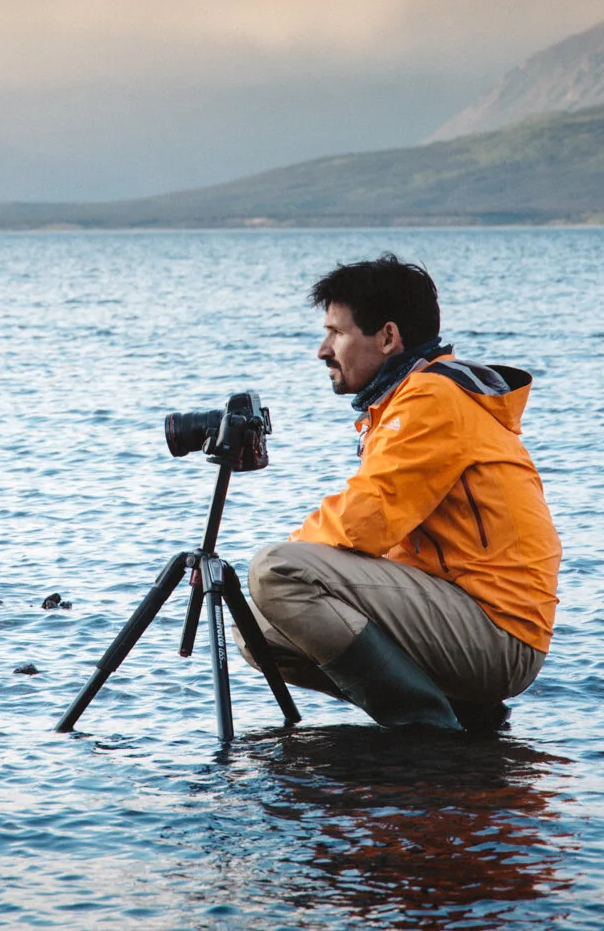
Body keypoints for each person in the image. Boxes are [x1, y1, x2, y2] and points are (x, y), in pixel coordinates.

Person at [240, 253, 560, 730]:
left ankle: (425, 730)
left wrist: (287, 556)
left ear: (388, 337)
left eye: (337, 333)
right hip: (464, 611)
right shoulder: (411, 397)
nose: (323, 350)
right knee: (258, 632)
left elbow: (367, 519)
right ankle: (467, 715)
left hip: (498, 631)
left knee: (275, 572)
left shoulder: (431, 398)